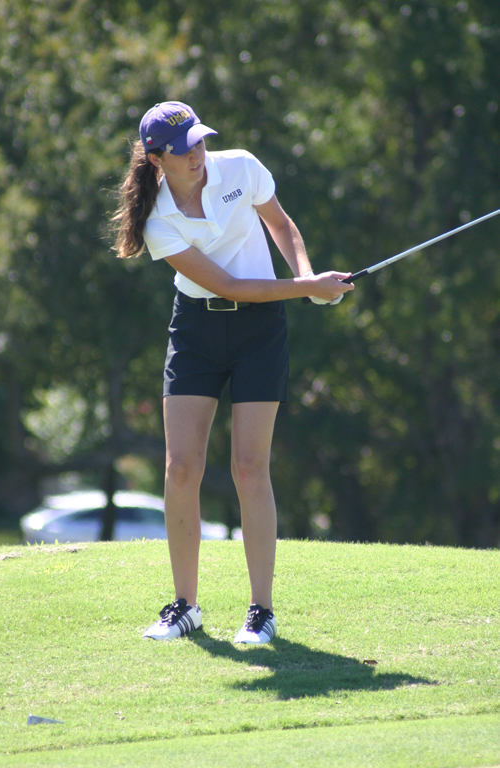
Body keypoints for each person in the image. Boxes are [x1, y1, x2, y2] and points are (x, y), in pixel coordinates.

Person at [112, 101, 353, 644]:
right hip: (197, 329)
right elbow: (228, 287)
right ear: (156, 159)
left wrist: (307, 273)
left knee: (249, 467)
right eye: (181, 150)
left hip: (260, 331)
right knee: (180, 468)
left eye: (198, 142)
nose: (196, 155)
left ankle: (261, 612)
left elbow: (281, 225)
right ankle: (185, 605)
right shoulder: (156, 220)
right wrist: (306, 289)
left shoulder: (241, 166)